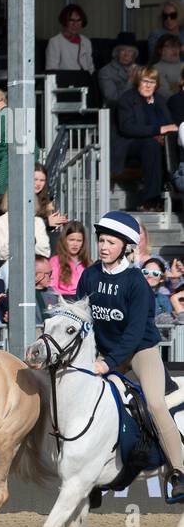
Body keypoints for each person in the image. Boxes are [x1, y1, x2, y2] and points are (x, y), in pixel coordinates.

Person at [78, 211, 184, 500]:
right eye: (101, 240)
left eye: (110, 242)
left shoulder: (136, 283)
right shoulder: (89, 275)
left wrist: (108, 363)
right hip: (105, 351)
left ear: (125, 247)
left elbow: (135, 333)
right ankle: (95, 475)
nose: (103, 247)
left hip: (140, 351)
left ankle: (178, 472)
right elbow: (82, 318)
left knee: (155, 404)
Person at [115, 65, 177, 212]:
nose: (148, 85)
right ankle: (151, 200)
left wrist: (164, 135)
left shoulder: (160, 100)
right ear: (138, 81)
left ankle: (175, 195)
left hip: (159, 142)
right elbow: (127, 128)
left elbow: (170, 125)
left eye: (152, 82)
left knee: (172, 144)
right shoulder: (127, 99)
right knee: (151, 145)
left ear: (157, 85)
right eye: (145, 81)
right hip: (131, 143)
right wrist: (159, 130)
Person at [45, 4, 94, 74]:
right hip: (64, 83)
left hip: (85, 82)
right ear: (64, 21)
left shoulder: (86, 42)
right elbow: (51, 72)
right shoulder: (55, 42)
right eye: (71, 20)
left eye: (78, 20)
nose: (75, 24)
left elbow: (91, 69)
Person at [49, 221, 90, 298]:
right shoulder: (55, 261)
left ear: (83, 242)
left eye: (79, 241)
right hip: (63, 302)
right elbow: (51, 288)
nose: (75, 244)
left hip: (84, 302)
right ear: (64, 240)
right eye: (71, 240)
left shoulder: (88, 263)